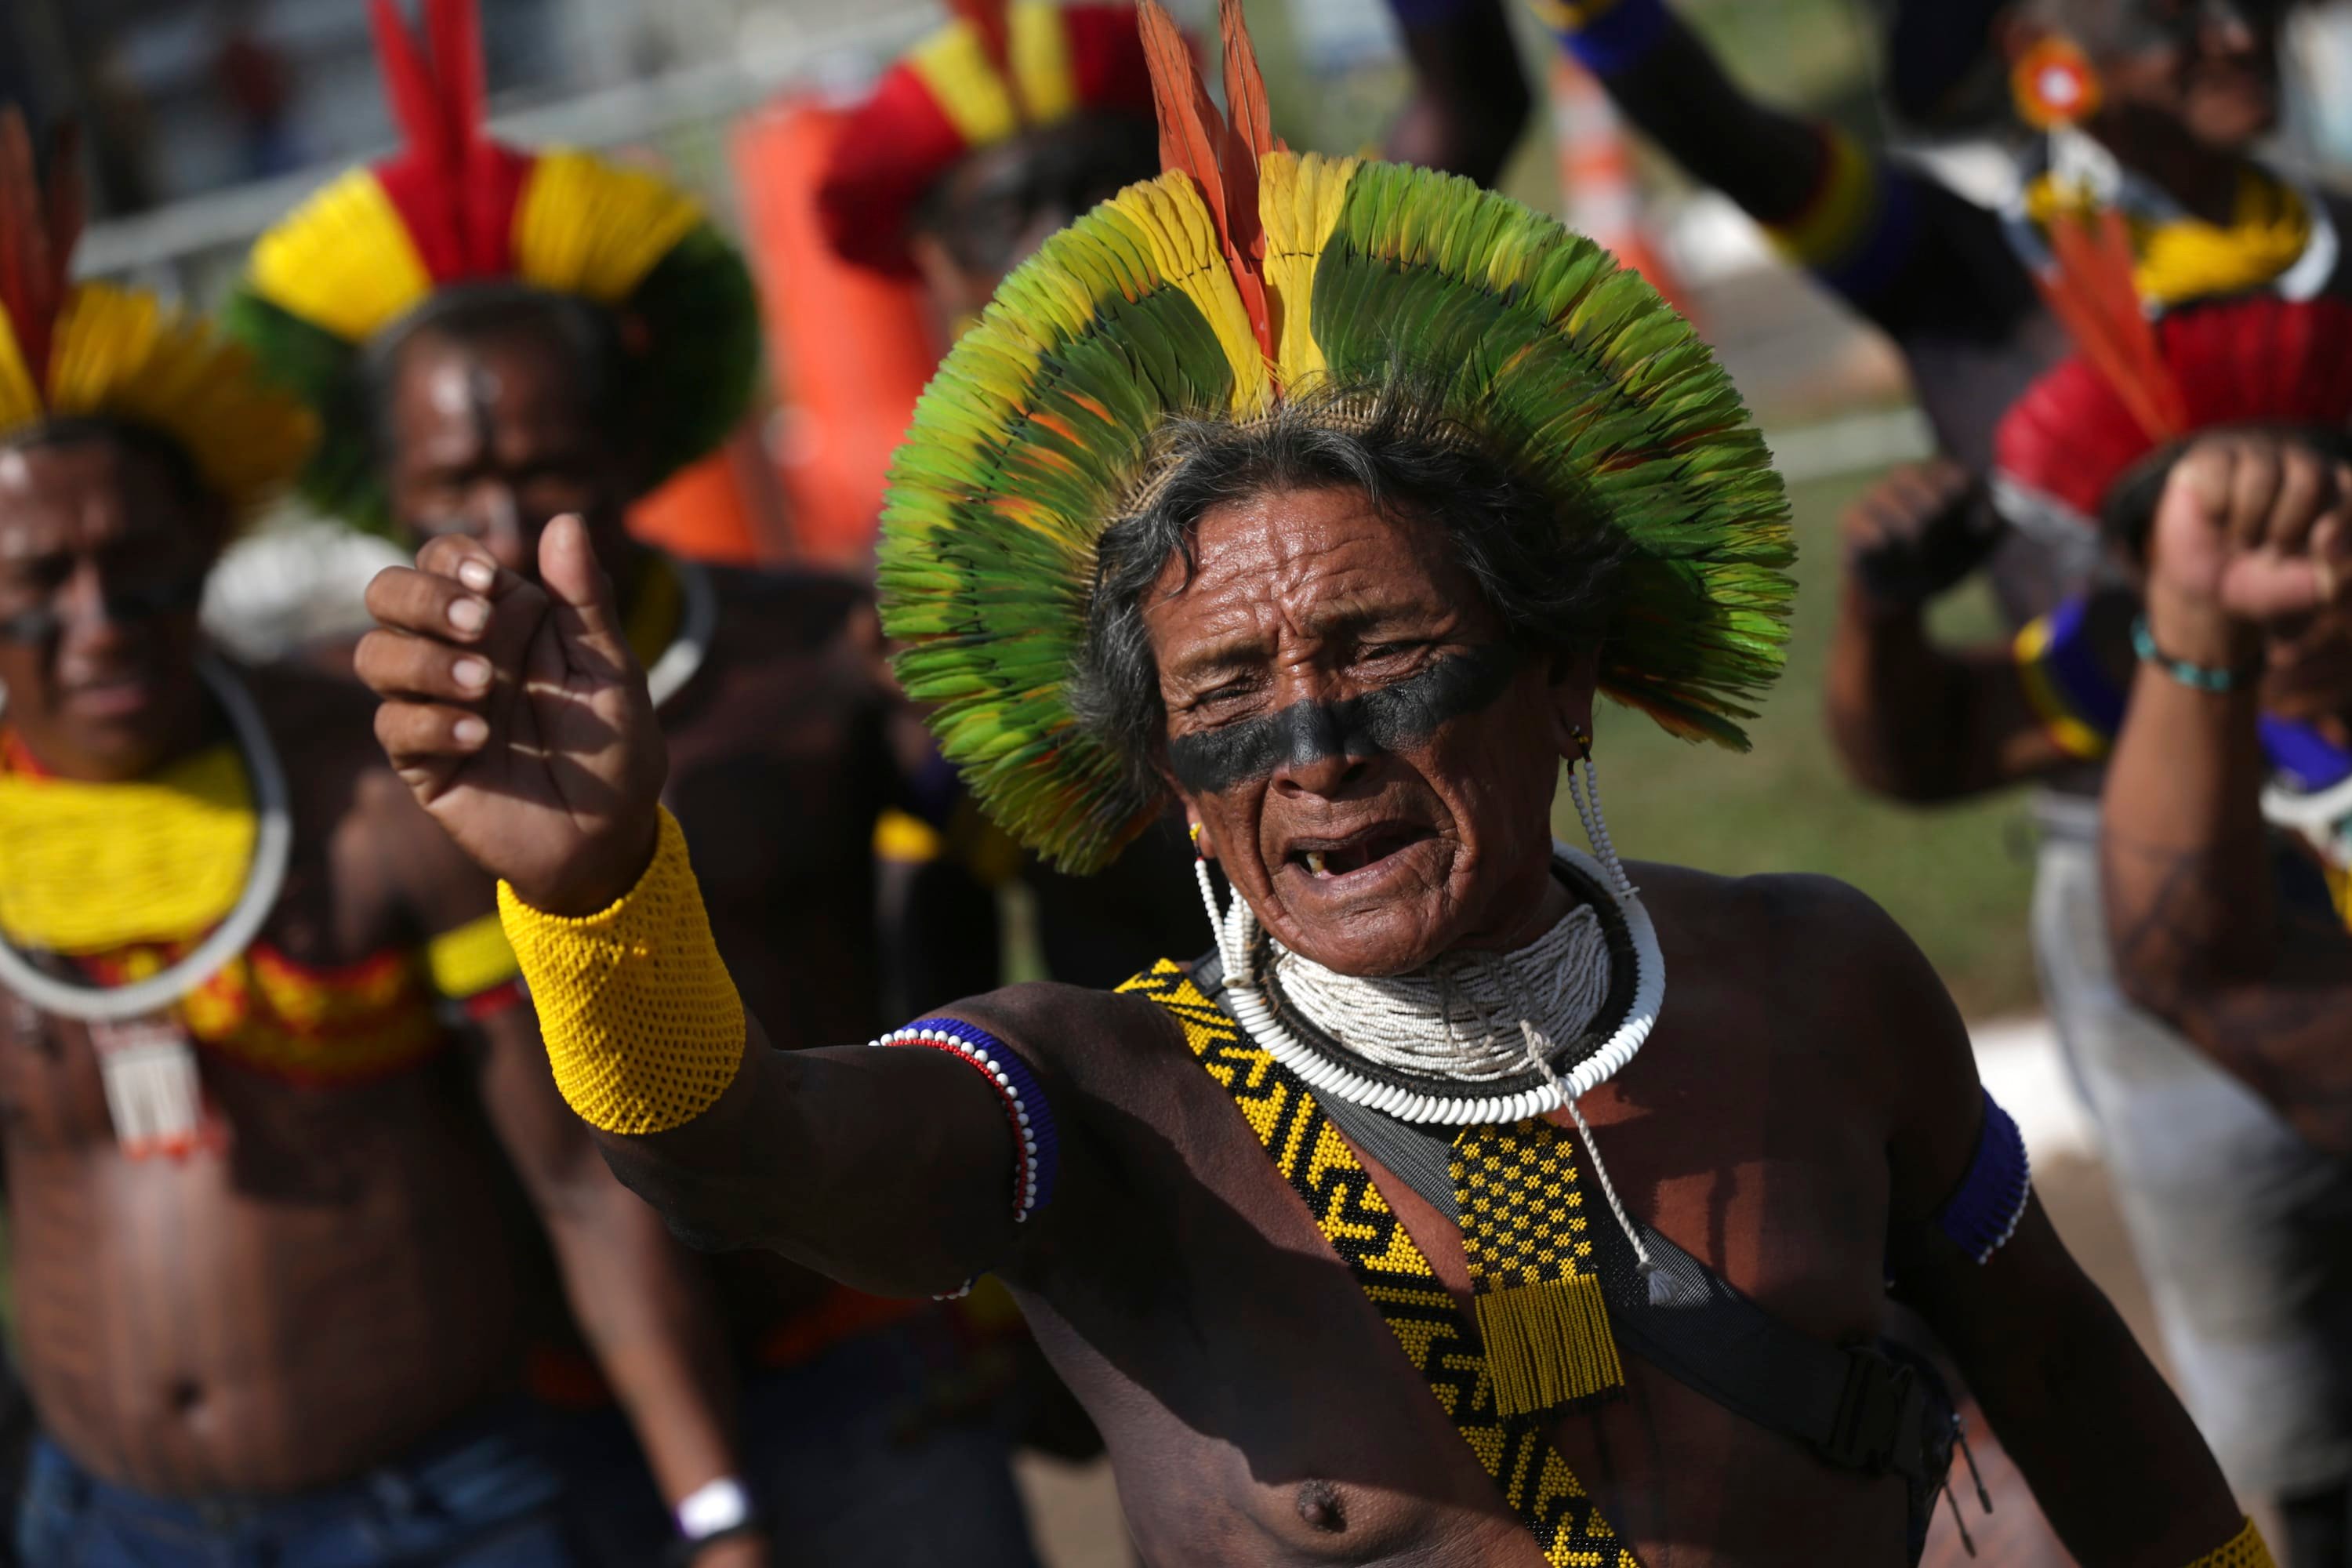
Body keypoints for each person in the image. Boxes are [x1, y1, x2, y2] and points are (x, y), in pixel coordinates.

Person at [357, 5, 2270, 1561]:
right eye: (1231, 693)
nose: (1319, 749)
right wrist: (604, 899)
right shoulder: (1098, 1116)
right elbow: (738, 1151)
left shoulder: (1823, 985)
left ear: (1567, 676)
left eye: (1378, 656)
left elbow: (2102, 1421)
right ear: (1176, 784)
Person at [227, 2, 1044, 1560]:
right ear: (387, 482)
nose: (504, 508)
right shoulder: (348, 739)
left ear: (634, 440)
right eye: (456, 478)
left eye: (546, 458)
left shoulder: (817, 650)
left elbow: (979, 915)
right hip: (560, 1410)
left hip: (863, 1336)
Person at [1549, 0, 2352, 1536]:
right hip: (2145, 880)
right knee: (2288, 1417)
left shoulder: (2337, 250)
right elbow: (1723, 128)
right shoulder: (1974, 278)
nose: (2231, 35)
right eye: (2164, 15)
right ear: (2042, 42)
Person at [0, 111, 756, 1567]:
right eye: (39, 577)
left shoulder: (373, 793)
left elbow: (578, 1193)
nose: (97, 622)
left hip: (441, 1517)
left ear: (205, 551)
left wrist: (717, 1515)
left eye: (136, 568)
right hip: (101, 1525)